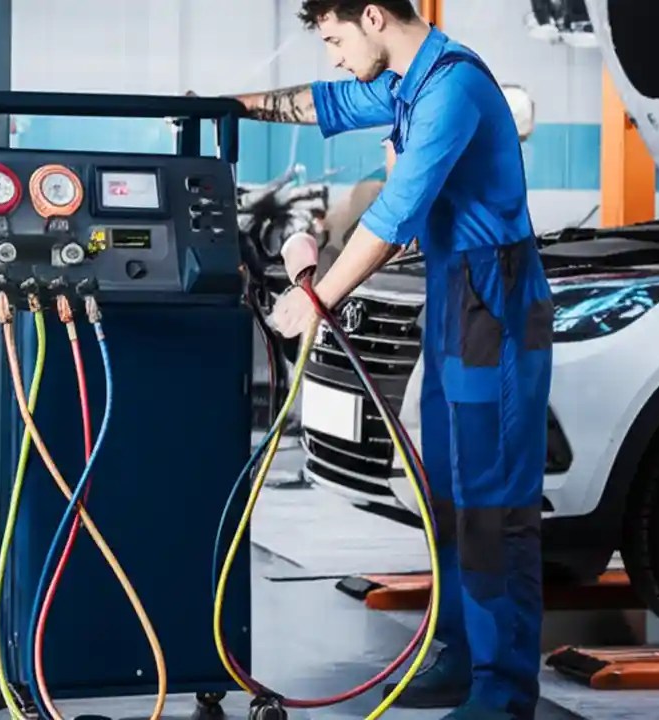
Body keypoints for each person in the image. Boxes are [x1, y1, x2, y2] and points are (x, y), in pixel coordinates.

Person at [233, 2, 553, 719]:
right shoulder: (406, 81)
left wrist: (314, 302)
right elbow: (319, 103)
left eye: (335, 38)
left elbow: (394, 211)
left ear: (372, 16)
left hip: (493, 300)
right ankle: (460, 650)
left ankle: (504, 693)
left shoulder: (454, 87)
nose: (334, 55)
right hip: (453, 291)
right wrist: (225, 107)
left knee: (492, 501)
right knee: (443, 484)